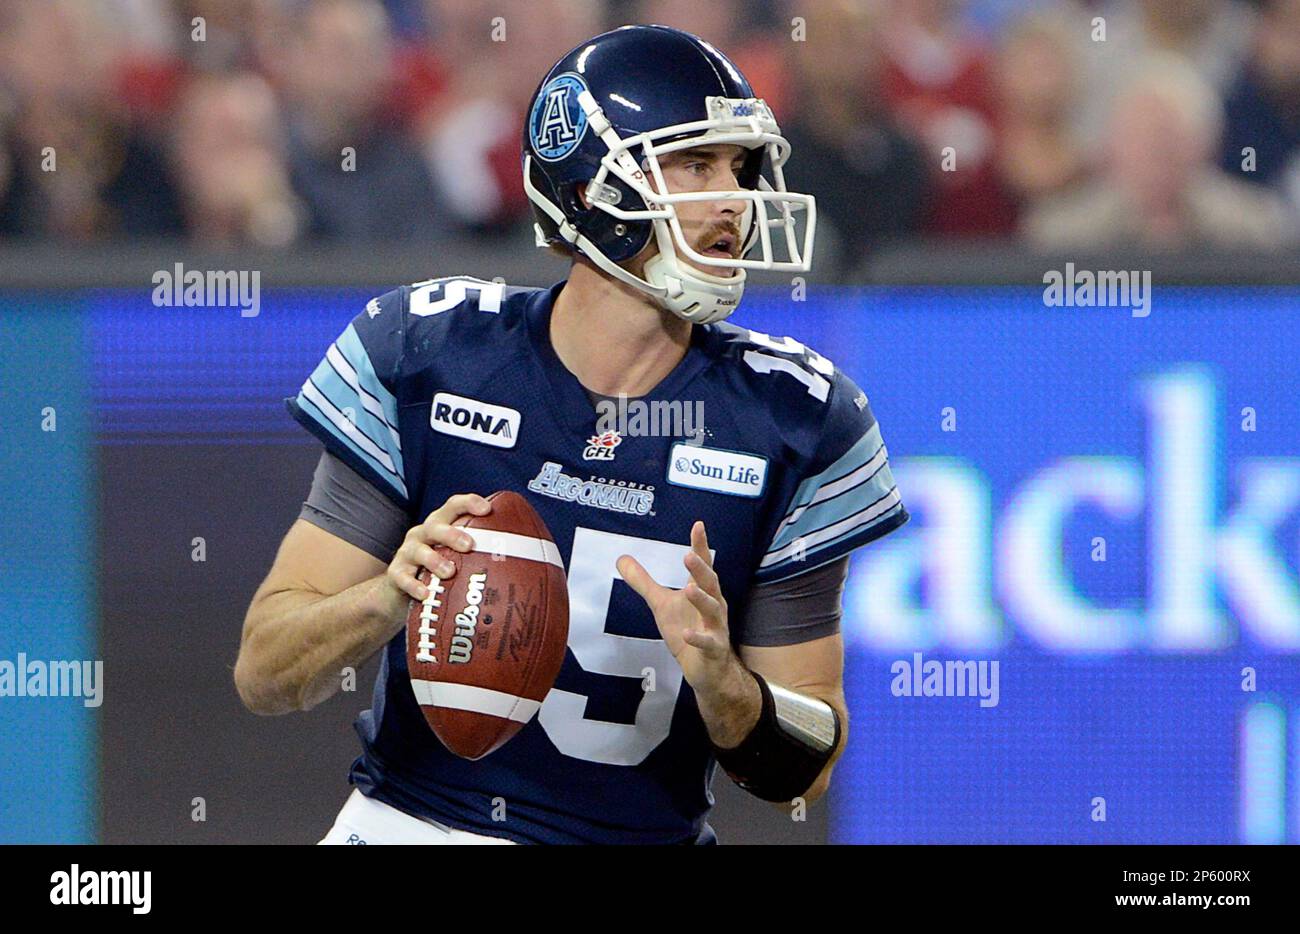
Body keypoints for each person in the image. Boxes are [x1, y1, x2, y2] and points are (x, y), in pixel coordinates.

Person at [235, 24, 910, 845]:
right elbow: (265, 673)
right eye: (696, 163)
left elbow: (804, 768)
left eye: (739, 168)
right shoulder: (435, 353)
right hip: (414, 825)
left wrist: (726, 684)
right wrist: (384, 599)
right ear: (592, 189)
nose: (733, 198)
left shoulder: (795, 418)